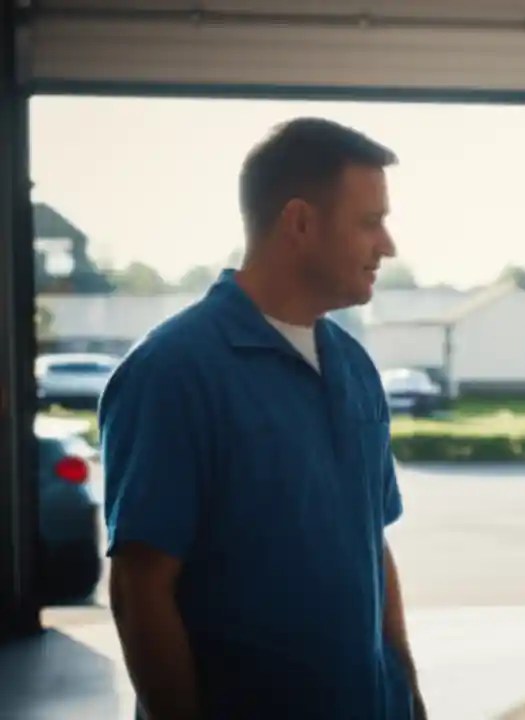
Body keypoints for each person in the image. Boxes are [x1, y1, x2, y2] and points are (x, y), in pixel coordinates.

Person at [100, 118, 426, 719]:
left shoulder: (354, 367)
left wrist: (407, 694)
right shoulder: (173, 371)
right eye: (369, 221)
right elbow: (140, 590)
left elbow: (371, 545)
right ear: (300, 223)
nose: (388, 245)